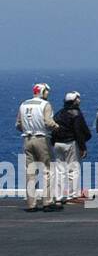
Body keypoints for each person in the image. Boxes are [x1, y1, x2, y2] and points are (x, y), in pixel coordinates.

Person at [16, 83, 58, 212]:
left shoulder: (23, 104)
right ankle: (47, 202)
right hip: (42, 139)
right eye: (46, 91)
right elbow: (48, 122)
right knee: (47, 170)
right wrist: (57, 127)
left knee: (30, 173)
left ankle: (31, 204)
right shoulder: (45, 105)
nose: (48, 94)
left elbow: (18, 124)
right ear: (43, 92)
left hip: (27, 140)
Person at [52, 92, 91, 206]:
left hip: (58, 144)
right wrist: (83, 146)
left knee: (60, 171)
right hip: (70, 143)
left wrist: (53, 142)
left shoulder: (59, 113)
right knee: (73, 169)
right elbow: (80, 131)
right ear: (76, 101)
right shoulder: (76, 114)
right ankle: (72, 195)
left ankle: (59, 196)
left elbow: (53, 128)